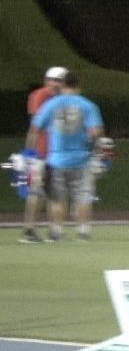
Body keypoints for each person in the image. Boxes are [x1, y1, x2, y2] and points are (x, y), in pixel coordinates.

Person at [27, 70, 104, 241]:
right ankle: (83, 231)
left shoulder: (51, 104)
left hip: (56, 159)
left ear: (63, 85)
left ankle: (57, 231)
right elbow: (96, 132)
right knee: (83, 197)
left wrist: (29, 153)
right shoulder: (88, 105)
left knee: (57, 198)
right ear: (78, 86)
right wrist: (97, 153)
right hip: (81, 158)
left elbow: (35, 129)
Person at [18, 66, 66, 244]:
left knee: (55, 193)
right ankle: (29, 230)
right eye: (52, 80)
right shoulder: (39, 96)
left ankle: (54, 231)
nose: (54, 83)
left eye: (58, 80)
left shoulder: (63, 99)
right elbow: (35, 126)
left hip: (58, 153)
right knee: (36, 192)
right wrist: (28, 153)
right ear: (46, 81)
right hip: (41, 152)